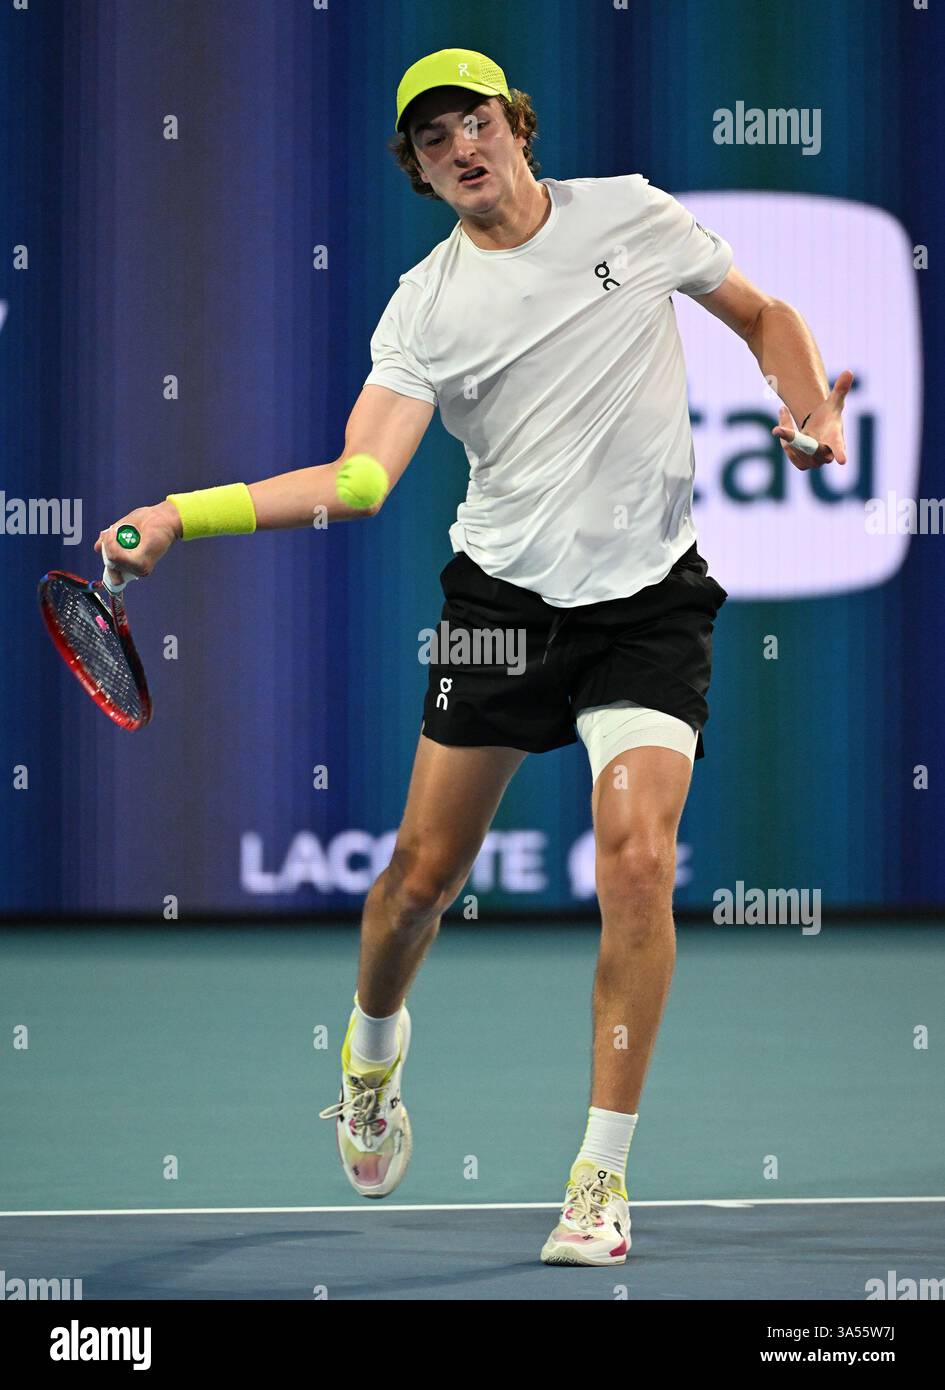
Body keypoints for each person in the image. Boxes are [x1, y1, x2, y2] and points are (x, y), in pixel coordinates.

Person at [96, 48, 852, 1267]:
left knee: (640, 860)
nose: (462, 146)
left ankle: (599, 1178)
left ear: (518, 126)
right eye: (434, 136)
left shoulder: (632, 214)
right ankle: (371, 1056)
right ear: (419, 165)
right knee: (414, 883)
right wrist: (185, 509)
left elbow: (765, 317)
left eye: (478, 121)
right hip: (503, 607)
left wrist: (810, 411)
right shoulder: (426, 305)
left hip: (650, 607)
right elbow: (358, 479)